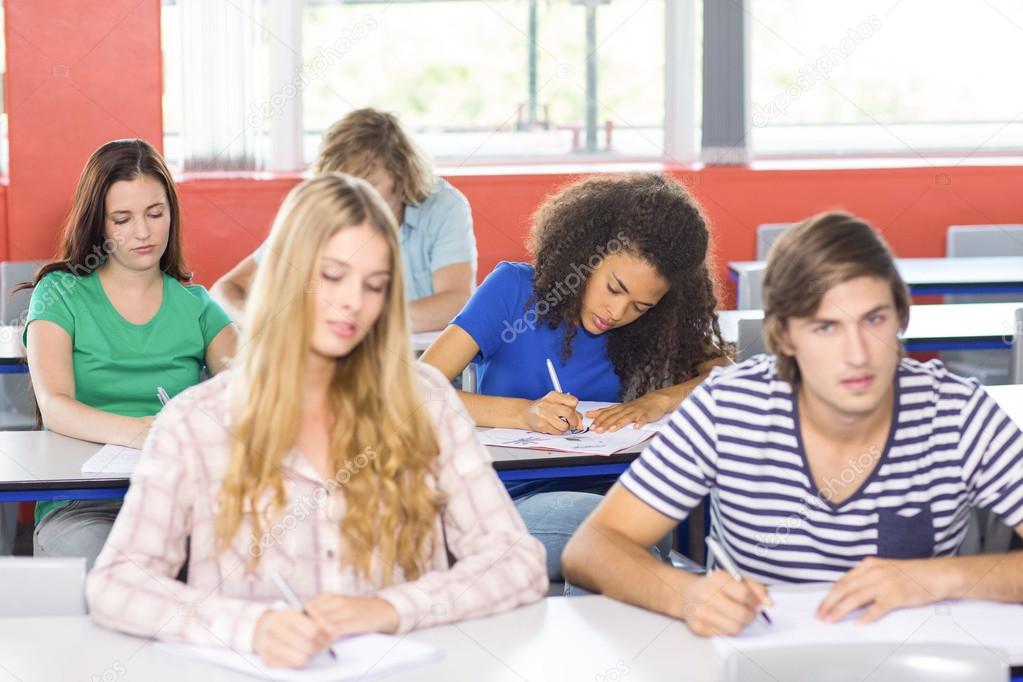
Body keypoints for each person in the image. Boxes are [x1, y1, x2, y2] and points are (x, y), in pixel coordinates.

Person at [86, 173, 547, 669]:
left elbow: (516, 561)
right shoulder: (197, 422)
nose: (354, 301)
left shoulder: (426, 401)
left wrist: (387, 609)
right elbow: (118, 583)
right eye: (332, 276)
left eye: (375, 285)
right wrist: (252, 628)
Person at [563, 212, 1023, 636]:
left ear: (901, 317)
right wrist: (685, 595)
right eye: (826, 327)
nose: (858, 355)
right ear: (784, 337)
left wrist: (941, 577)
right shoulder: (729, 406)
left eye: (875, 320)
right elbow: (591, 549)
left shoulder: (958, 412)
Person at [420, 173, 731, 581]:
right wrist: (523, 414)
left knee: (643, 534)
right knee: (615, 541)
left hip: (612, 495)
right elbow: (414, 388)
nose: (618, 312)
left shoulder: (654, 327)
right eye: (613, 288)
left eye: (640, 305)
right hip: (507, 503)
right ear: (587, 255)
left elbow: (724, 376)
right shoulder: (513, 290)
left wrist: (662, 399)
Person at [20, 138, 236, 569]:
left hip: (177, 498)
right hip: (82, 505)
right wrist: (144, 431)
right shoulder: (60, 293)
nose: (143, 232)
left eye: (156, 214)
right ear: (98, 223)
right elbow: (55, 405)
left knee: (224, 568)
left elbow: (252, 386)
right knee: (118, 574)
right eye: (122, 219)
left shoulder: (196, 305)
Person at [211, 108, 476, 332]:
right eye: (344, 185)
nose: (356, 198)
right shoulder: (319, 209)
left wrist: (357, 320)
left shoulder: (444, 206)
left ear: (401, 174)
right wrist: (260, 324)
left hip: (419, 359)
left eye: (370, 185)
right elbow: (225, 289)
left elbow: (457, 301)